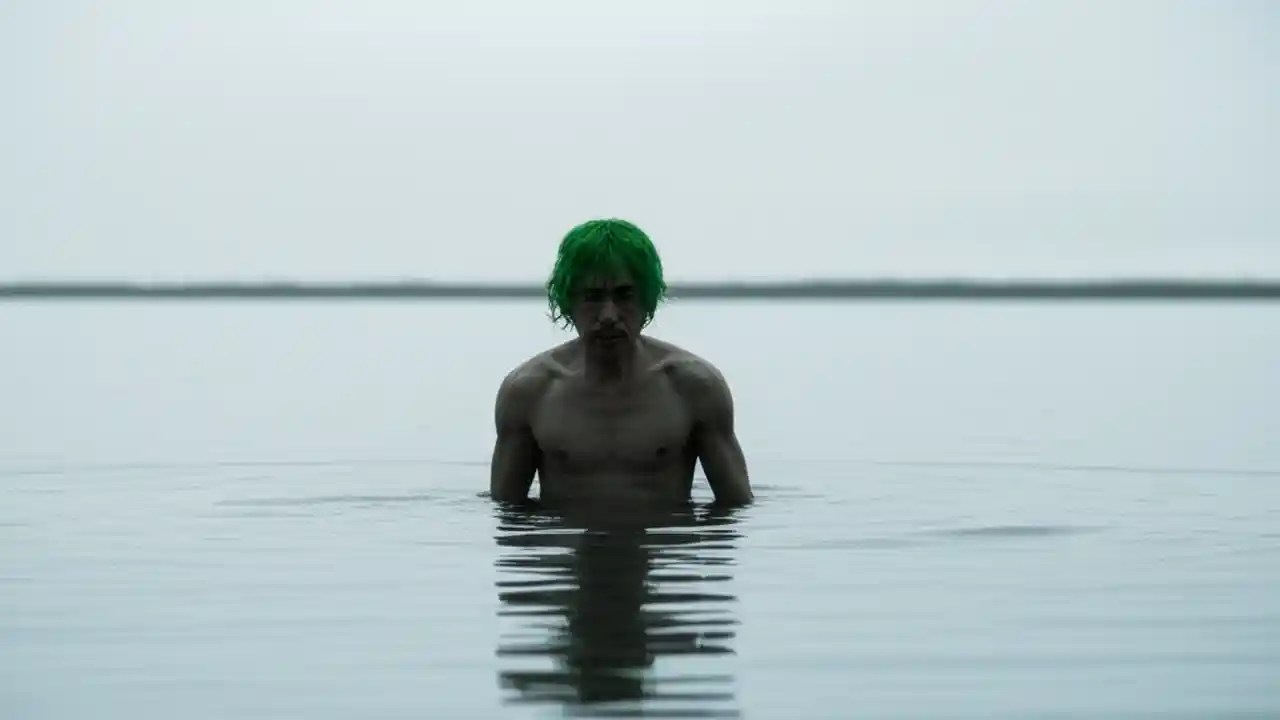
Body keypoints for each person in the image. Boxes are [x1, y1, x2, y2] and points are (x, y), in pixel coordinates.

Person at [489, 218, 753, 507]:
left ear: (647, 300)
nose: (609, 315)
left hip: (661, 549)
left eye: (624, 295)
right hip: (568, 546)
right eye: (593, 297)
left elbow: (734, 506)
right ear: (569, 302)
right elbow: (507, 510)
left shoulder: (694, 387)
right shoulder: (529, 391)